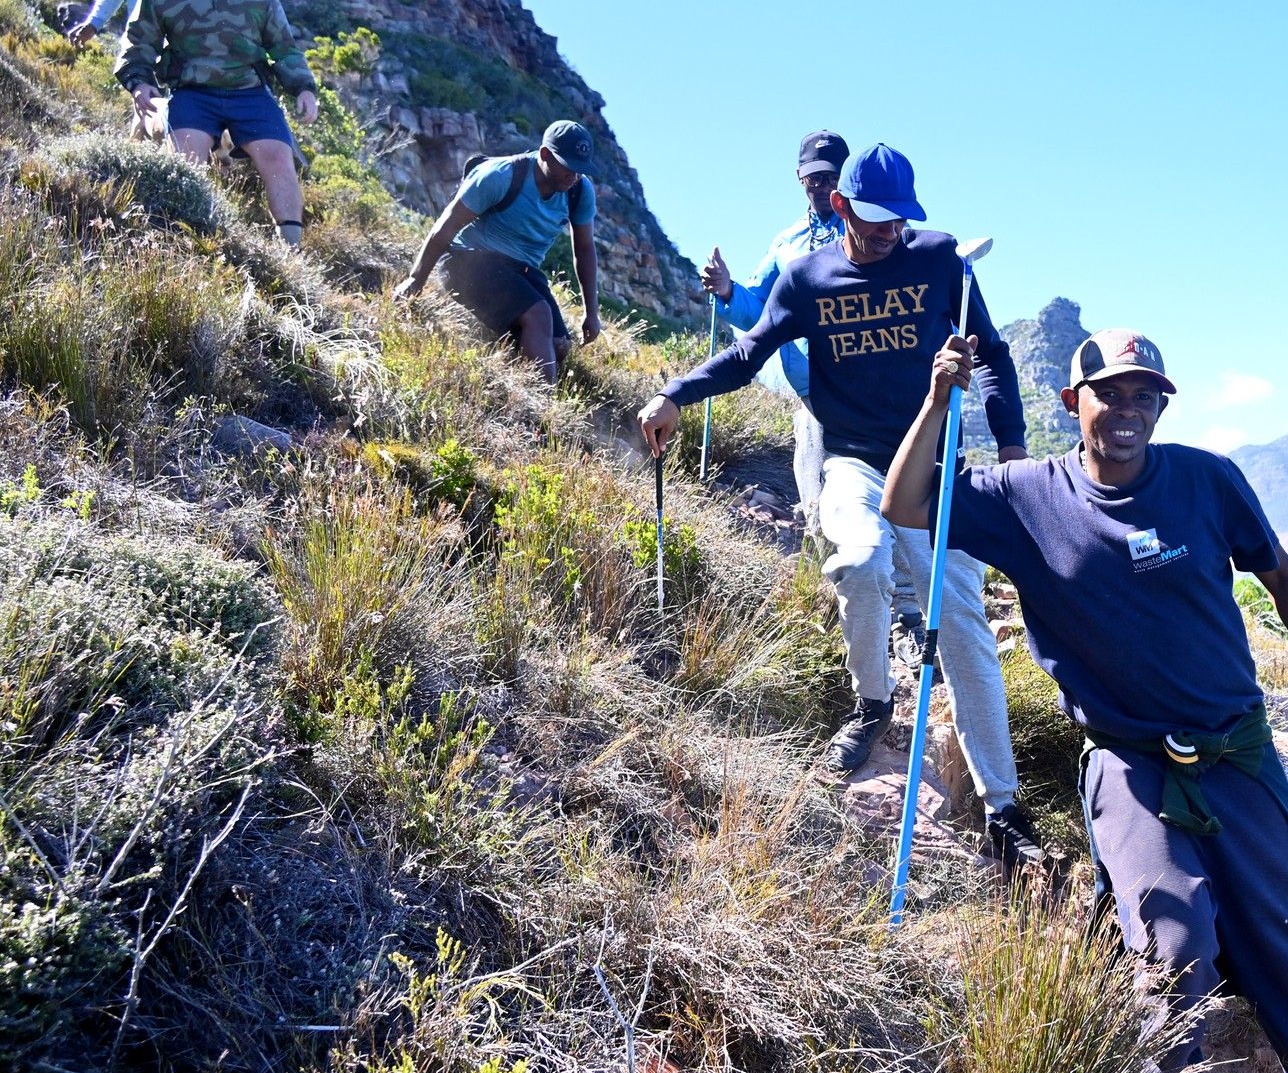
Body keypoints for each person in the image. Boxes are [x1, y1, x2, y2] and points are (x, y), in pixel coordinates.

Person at [882, 329, 1288, 1073]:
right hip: (1129, 764)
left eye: (1146, 394)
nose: (1129, 410)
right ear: (1074, 402)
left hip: (1238, 756)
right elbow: (902, 503)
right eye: (1110, 392)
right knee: (1174, 940)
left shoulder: (1207, 480)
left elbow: (1281, 574)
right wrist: (938, 401)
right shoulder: (1023, 496)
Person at [638, 143, 1045, 870]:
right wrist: (676, 394)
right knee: (857, 561)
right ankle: (872, 702)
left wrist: (1011, 441)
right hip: (852, 458)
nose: (891, 232)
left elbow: (991, 355)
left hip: (932, 464)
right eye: (877, 219)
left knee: (961, 623)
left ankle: (1003, 807)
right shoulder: (808, 276)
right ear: (840, 207)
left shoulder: (942, 261)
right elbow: (748, 353)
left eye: (901, 219)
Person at [702, 130, 926, 660]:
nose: (822, 187)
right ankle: (841, 598)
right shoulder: (786, 247)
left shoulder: (881, 230)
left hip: (883, 399)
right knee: (822, 500)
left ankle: (908, 614)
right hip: (813, 394)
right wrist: (730, 291)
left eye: (831, 177)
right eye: (813, 179)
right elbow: (761, 312)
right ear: (801, 181)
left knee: (894, 497)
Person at [114, 0, 319, 247]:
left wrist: (304, 88)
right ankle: (181, 240)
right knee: (186, 156)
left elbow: (284, 50)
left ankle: (290, 250)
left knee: (278, 157)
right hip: (193, 92)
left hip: (249, 93)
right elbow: (138, 45)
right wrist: (139, 81)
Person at [392, 121, 604, 381]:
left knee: (560, 346)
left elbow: (584, 250)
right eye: (568, 166)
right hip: (468, 261)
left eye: (580, 170)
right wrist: (415, 280)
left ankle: (506, 359)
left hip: (522, 272)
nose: (574, 176)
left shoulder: (579, 191)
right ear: (545, 154)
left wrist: (591, 312)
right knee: (538, 315)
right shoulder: (500, 175)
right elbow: (445, 226)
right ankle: (543, 411)